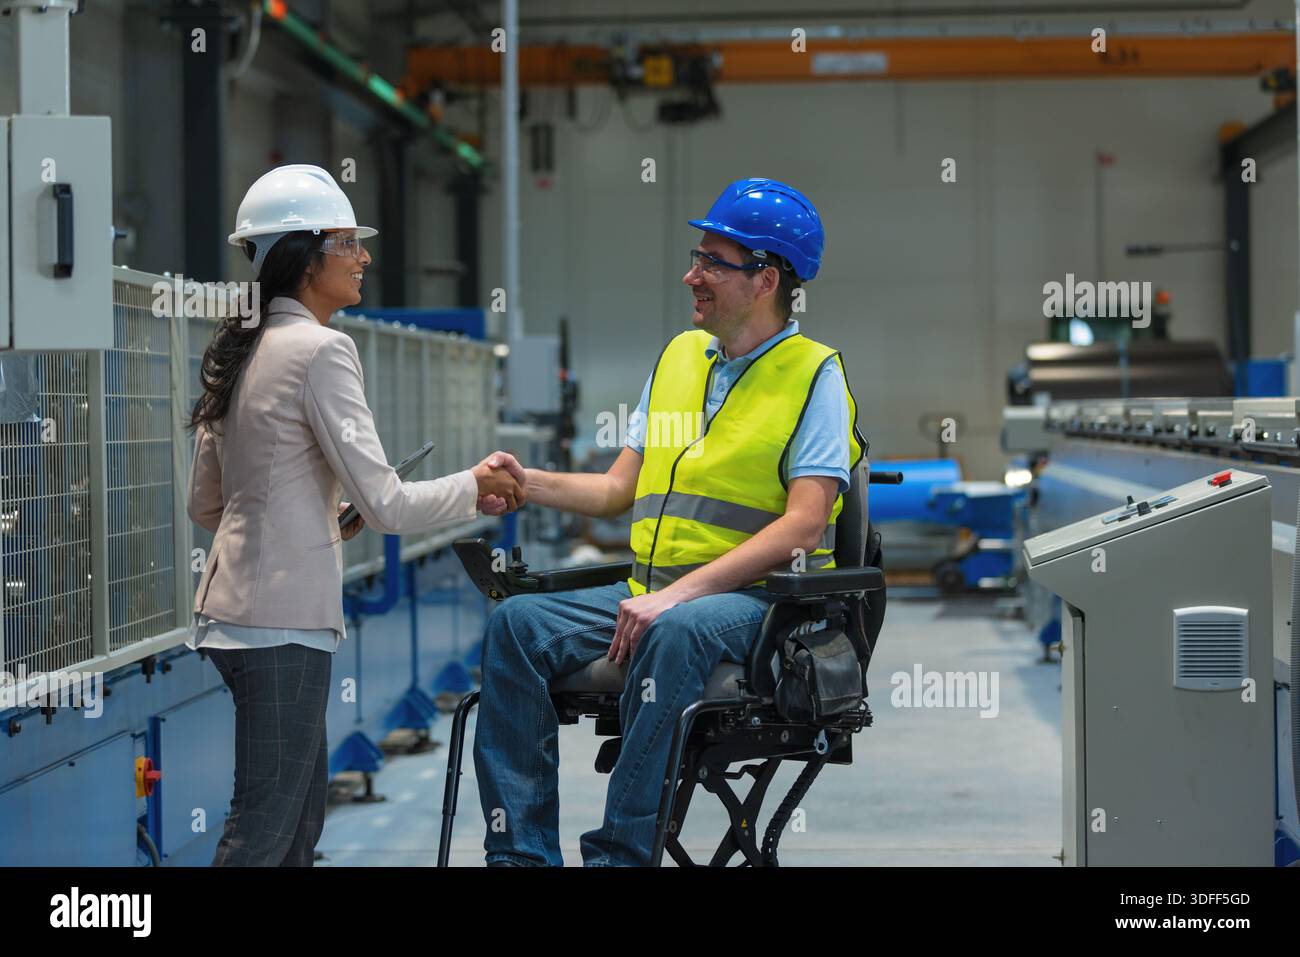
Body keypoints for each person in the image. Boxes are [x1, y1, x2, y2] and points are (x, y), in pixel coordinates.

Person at [472, 178, 866, 866]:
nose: (693, 275)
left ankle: (619, 856)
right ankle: (521, 856)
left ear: (766, 279)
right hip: (654, 592)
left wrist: (676, 595)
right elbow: (616, 489)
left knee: (675, 631)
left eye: (713, 262)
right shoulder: (682, 358)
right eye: (696, 257)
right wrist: (523, 482)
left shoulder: (815, 378)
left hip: (762, 604)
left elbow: (804, 526)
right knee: (516, 625)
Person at [185, 164, 522, 866]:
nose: (363, 256)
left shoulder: (240, 346)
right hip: (282, 623)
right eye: (348, 242)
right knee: (265, 829)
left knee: (296, 824)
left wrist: (318, 518)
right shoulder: (320, 349)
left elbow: (209, 504)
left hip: (235, 614)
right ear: (304, 257)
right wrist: (475, 483)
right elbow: (390, 505)